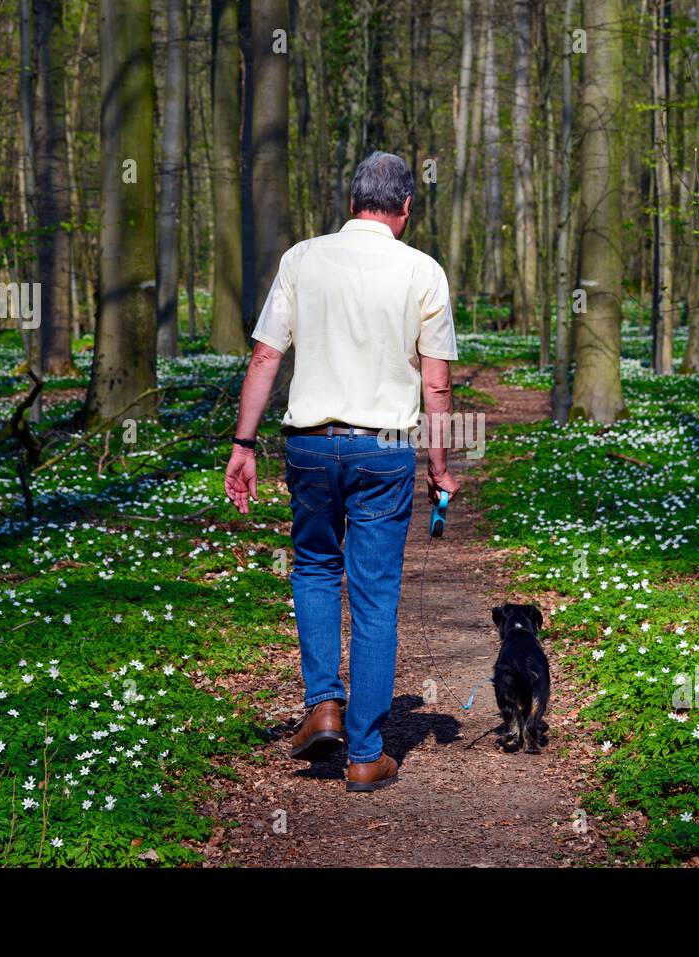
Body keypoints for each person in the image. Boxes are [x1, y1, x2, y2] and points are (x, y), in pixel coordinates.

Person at [223, 151, 460, 792]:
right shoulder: (423, 271)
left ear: (352, 199)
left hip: (308, 446)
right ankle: (364, 752)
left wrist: (243, 443)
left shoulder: (303, 257)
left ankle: (323, 704)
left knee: (316, 568)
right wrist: (440, 468)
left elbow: (266, 357)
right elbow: (435, 386)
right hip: (384, 448)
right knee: (375, 595)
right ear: (406, 207)